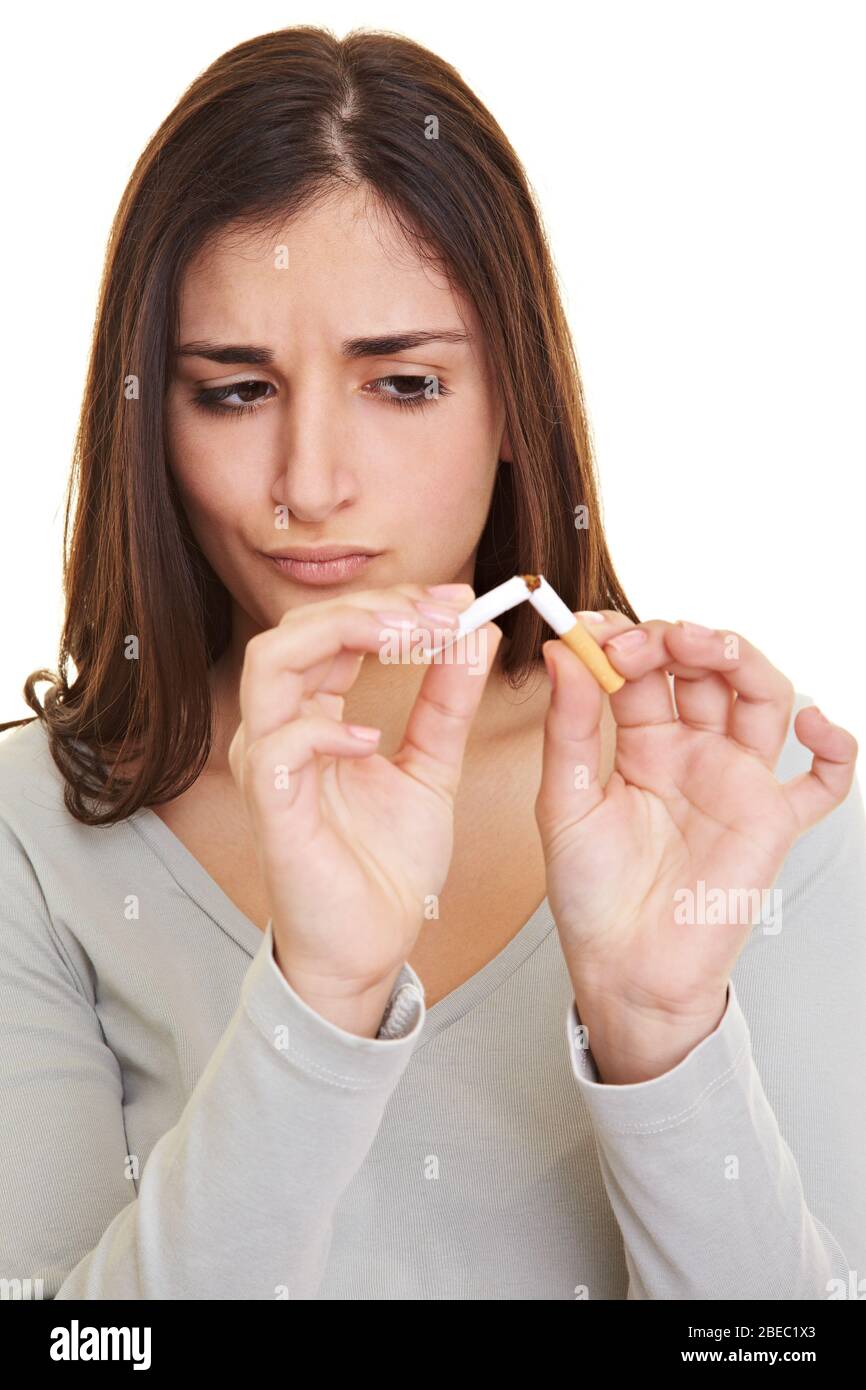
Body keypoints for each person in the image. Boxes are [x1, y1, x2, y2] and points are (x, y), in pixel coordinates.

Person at [1, 25, 863, 1302]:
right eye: (234, 392)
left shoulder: (729, 789)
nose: (308, 484)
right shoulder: (35, 831)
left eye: (400, 383)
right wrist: (317, 999)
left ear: (516, 398)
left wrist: (660, 1036)